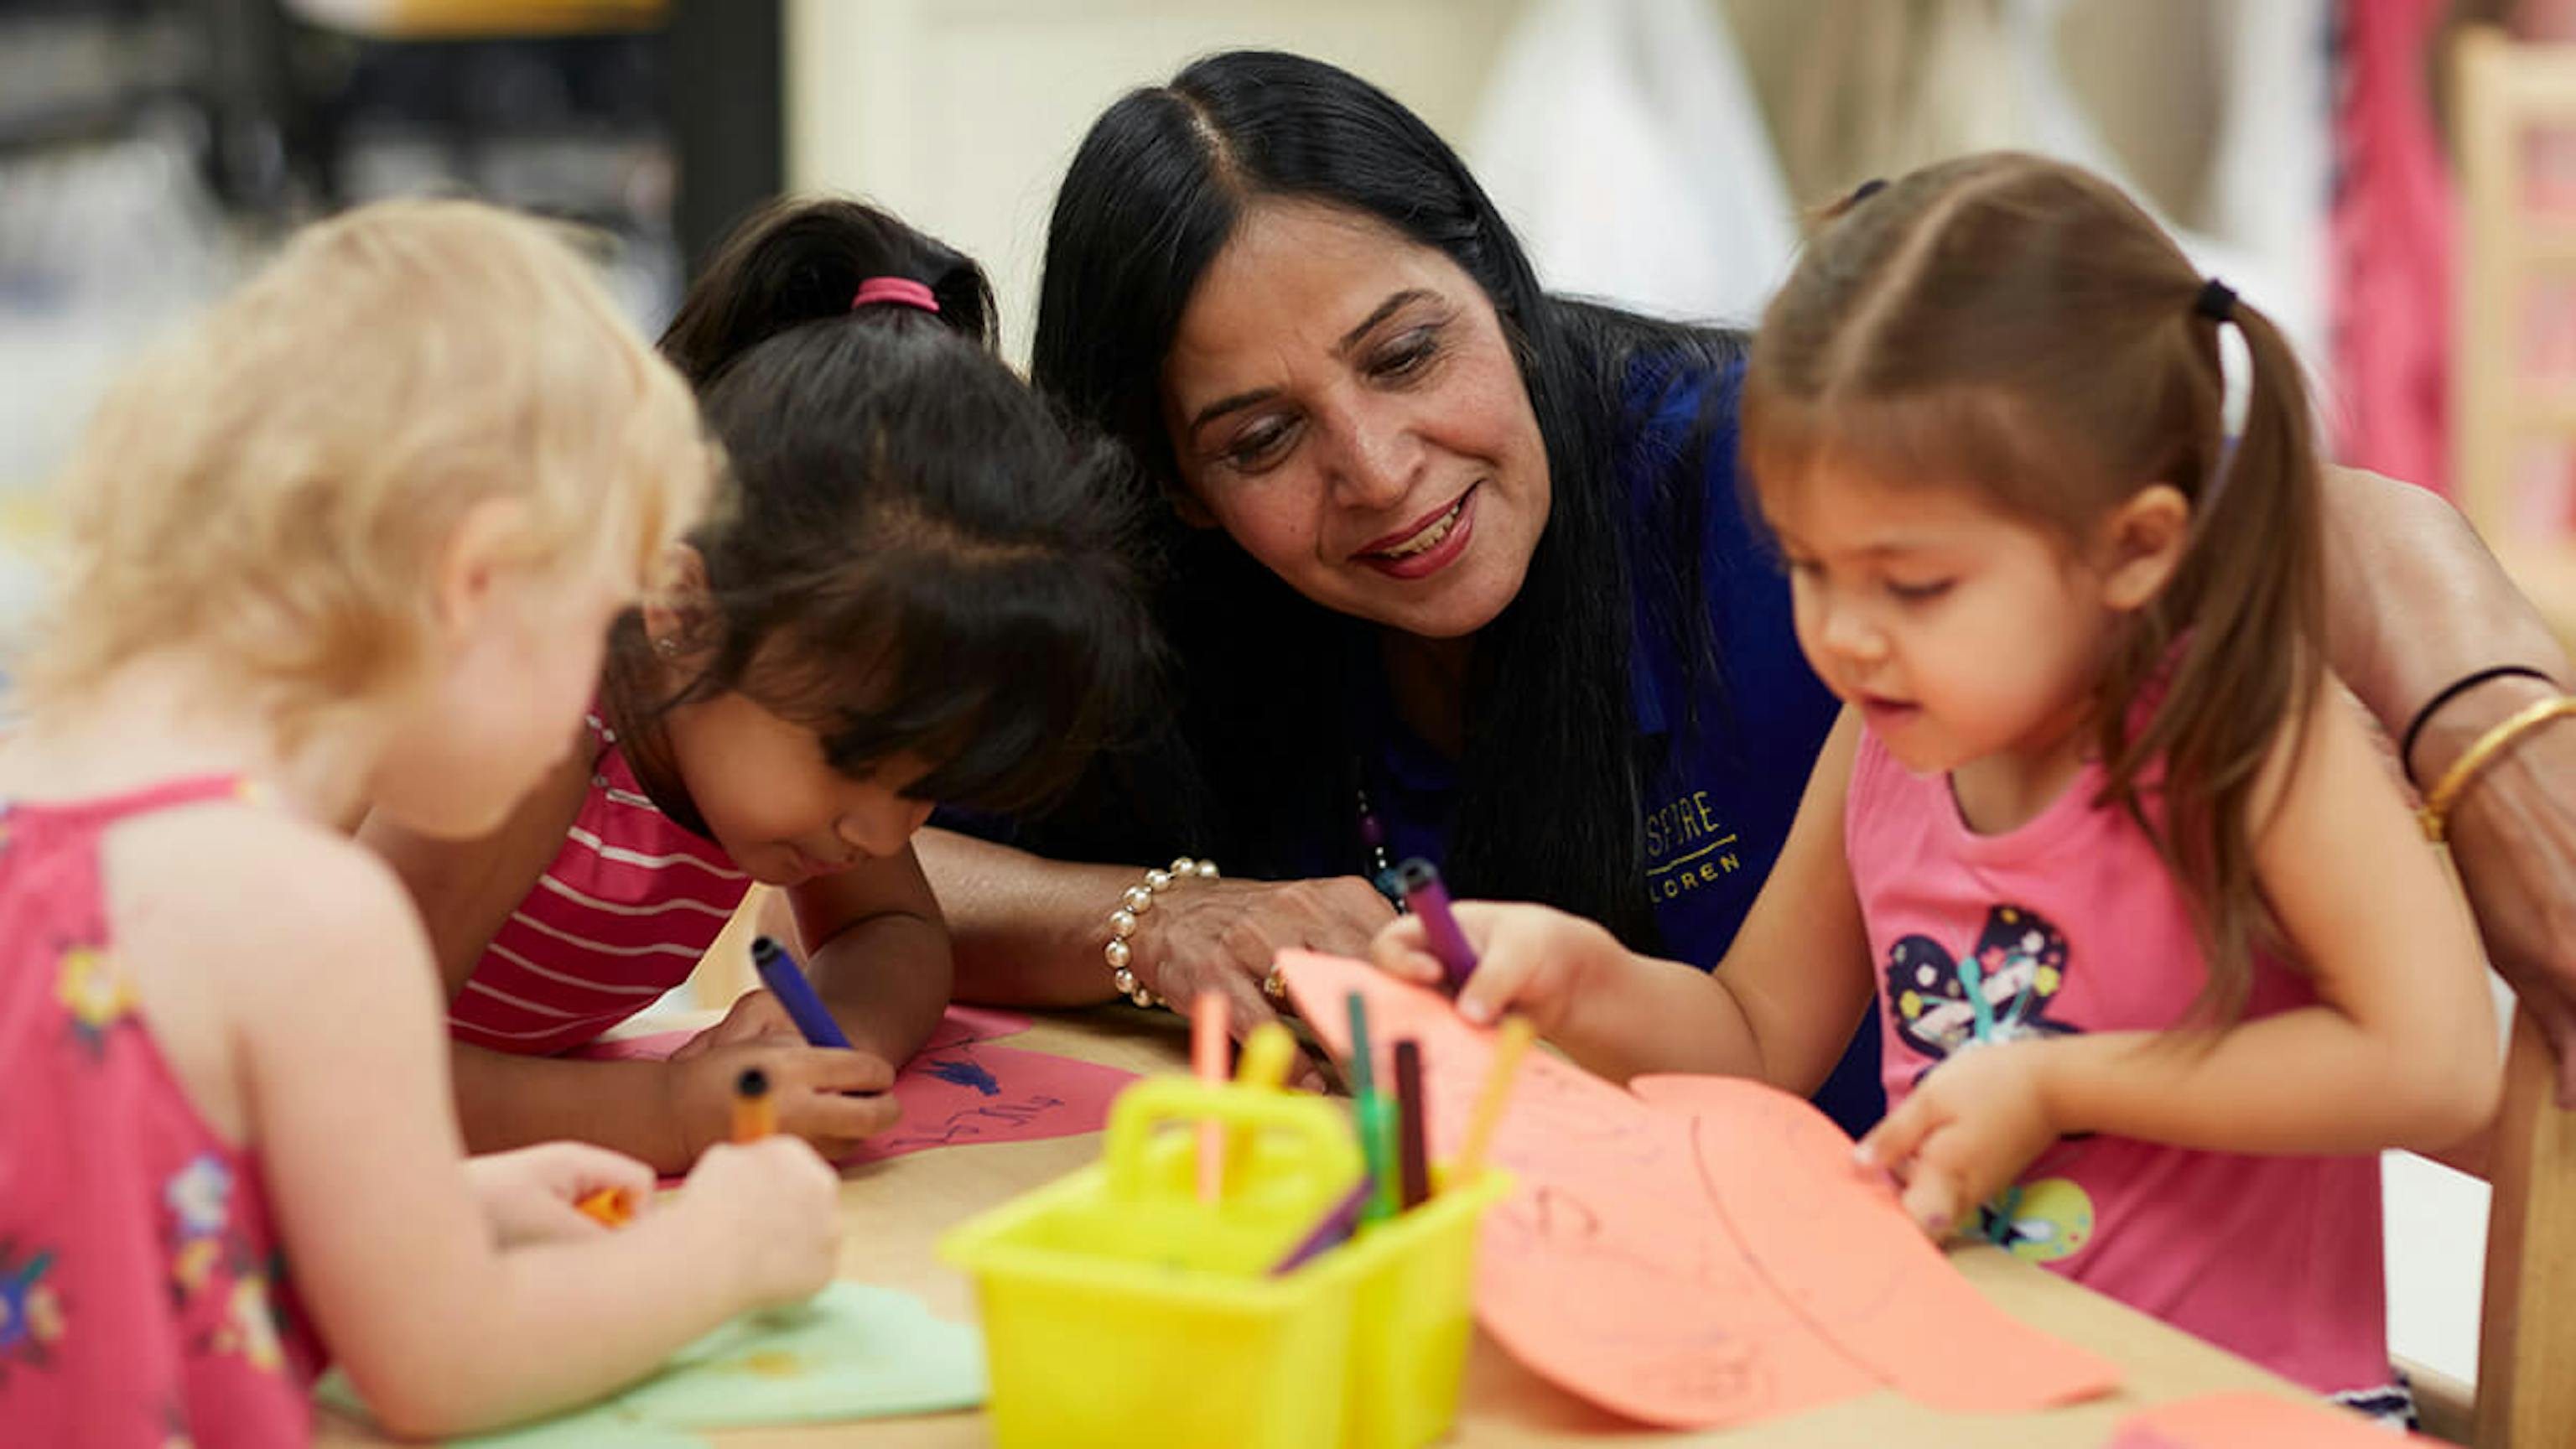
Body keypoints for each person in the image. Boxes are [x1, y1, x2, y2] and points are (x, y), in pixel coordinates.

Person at [922, 48, 2576, 1125]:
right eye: (1263, 435)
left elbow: (2317, 516)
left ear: (1502, 282)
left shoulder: (1770, 489)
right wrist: (1154, 919)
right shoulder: (1167, 607)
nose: (1376, 467)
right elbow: (853, 866)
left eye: (1410, 351)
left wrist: (2491, 726)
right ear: (1180, 489)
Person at [1374, 153, 2496, 1420]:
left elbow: (2442, 1064)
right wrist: (1586, 980)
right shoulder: (1887, 738)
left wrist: (2061, 1083)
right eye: (1808, 564)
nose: (1845, 636)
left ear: (2133, 548)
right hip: (1965, 1388)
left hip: (2246, 1406)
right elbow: (1756, 1038)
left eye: (1911, 586)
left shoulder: (2242, 735)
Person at [0, 199, 844, 1445]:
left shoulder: (35, 789)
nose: (590, 702)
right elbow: (447, 1363)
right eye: (596, 622)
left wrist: (440, 1200)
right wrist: (727, 1250)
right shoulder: (317, 915)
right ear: (478, 580)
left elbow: (95, 1206)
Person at [363, 198, 1156, 1172]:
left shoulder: (771, 728)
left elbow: (896, 927)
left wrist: (833, 1034)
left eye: (922, 783)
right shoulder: (528, 729)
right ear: (682, 609)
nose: (882, 830)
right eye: (855, 761)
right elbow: (350, 1071)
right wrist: (670, 1110)